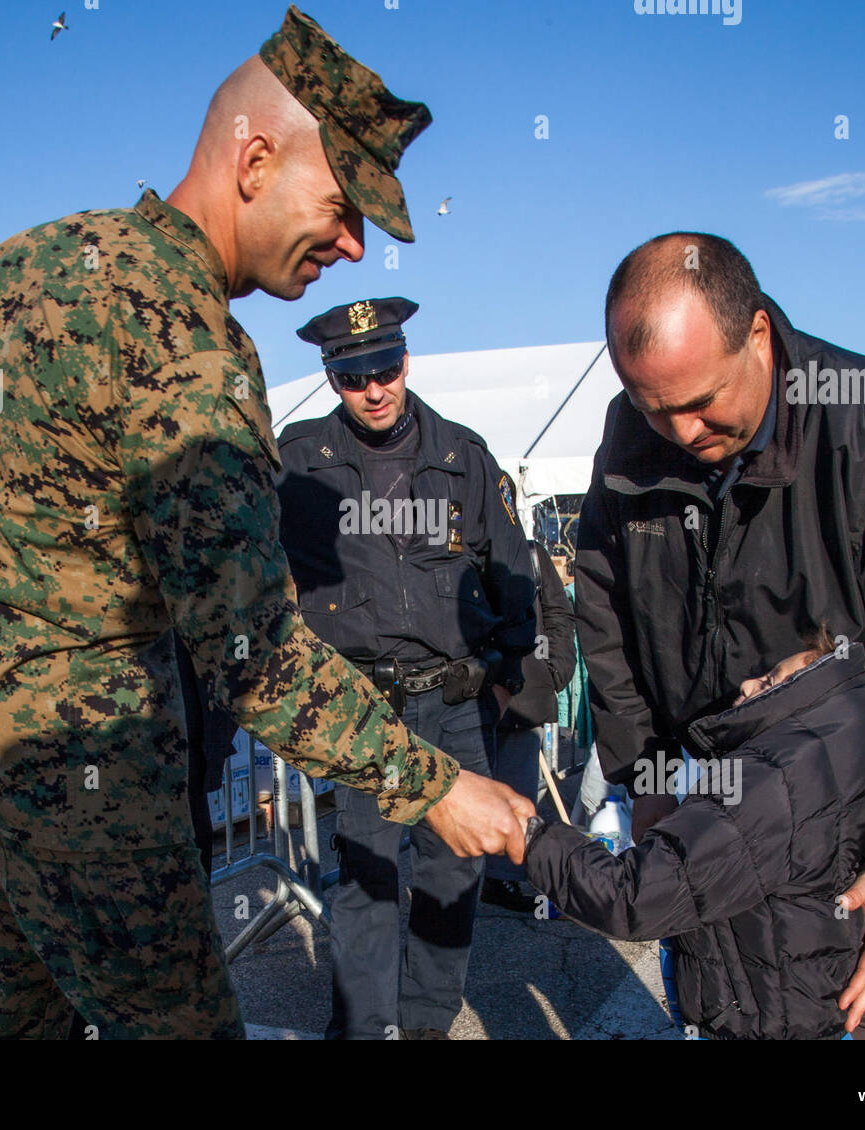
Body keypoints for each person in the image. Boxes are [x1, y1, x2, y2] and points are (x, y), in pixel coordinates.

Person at [0, 7, 532, 1041]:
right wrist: (429, 783)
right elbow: (251, 653)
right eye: (343, 208)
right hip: (96, 787)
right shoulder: (190, 350)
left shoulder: (34, 260)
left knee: (2, 1022)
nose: (351, 247)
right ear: (254, 158)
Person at [575, 232, 865, 1039]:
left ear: (757, 335)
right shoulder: (634, 431)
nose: (679, 431)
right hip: (730, 823)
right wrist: (645, 773)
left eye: (702, 401)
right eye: (654, 408)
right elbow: (609, 618)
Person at [275, 296, 536, 1039]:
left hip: (456, 705)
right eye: (356, 376)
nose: (376, 388)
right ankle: (365, 1030)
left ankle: (423, 1025)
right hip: (363, 712)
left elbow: (510, 568)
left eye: (386, 368)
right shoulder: (297, 463)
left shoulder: (462, 454)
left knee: (455, 873)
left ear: (407, 361)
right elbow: (254, 574)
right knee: (370, 879)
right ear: (331, 378)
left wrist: (512, 673)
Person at [526, 632, 865, 1040]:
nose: (747, 684)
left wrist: (528, 837)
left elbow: (634, 895)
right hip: (797, 1007)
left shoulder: (768, 780)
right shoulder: (849, 736)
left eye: (771, 683)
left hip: (756, 1020)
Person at [482, 527, 576, 912]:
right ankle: (471, 877)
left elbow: (558, 616)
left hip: (525, 692)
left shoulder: (533, 555)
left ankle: (504, 877)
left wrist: (556, 670)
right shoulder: (461, 548)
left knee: (518, 787)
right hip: (473, 691)